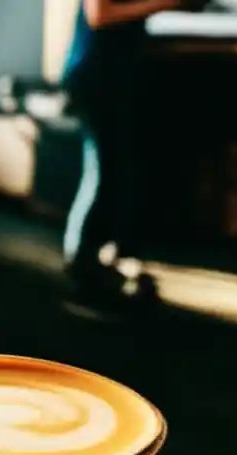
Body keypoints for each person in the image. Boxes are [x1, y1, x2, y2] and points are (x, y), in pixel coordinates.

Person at [61, 0, 182, 302]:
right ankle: (82, 267)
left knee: (118, 170)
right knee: (104, 171)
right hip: (97, 71)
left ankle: (104, 263)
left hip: (116, 72)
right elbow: (100, 14)